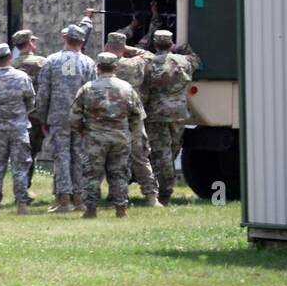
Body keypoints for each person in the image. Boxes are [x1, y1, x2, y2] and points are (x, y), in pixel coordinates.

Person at [68, 52, 145, 218]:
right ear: (115, 67)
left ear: (98, 67)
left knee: (92, 174)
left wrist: (82, 131)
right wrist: (130, 132)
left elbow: (74, 117)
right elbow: (137, 116)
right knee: (119, 173)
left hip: (94, 139)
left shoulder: (87, 89)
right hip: (120, 138)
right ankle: (121, 209)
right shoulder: (127, 88)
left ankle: (90, 210)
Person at [35, 11, 96, 212]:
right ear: (81, 41)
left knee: (61, 156)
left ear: (65, 39)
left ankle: (63, 199)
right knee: (78, 155)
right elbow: (92, 92)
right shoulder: (88, 63)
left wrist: (42, 117)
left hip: (58, 116)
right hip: (80, 117)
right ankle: (79, 198)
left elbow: (43, 93)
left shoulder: (51, 61)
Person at [143, 30, 200, 204]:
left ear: (155, 43)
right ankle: (164, 187)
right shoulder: (184, 61)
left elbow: (144, 88)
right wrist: (183, 47)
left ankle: (164, 191)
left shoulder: (149, 63)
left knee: (162, 153)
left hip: (157, 115)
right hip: (178, 114)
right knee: (172, 150)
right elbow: (196, 60)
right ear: (171, 43)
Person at [106, 31, 161, 206]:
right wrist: (128, 49)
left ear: (107, 47)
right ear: (123, 47)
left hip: (111, 117)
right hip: (133, 116)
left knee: (112, 156)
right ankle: (151, 196)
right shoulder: (134, 64)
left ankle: (116, 193)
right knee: (140, 156)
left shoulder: (100, 65)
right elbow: (149, 55)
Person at [0, 42, 36, 216]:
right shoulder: (22, 77)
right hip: (19, 128)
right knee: (20, 167)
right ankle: (22, 205)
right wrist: (19, 114)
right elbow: (31, 102)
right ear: (10, 57)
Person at [11, 29, 47, 198]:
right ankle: (25, 188)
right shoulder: (41, 62)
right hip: (37, 115)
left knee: (23, 154)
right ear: (30, 43)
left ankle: (22, 188)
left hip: (18, 116)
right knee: (33, 152)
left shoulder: (12, 65)